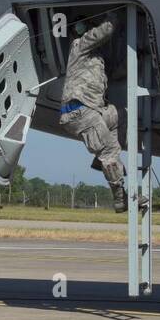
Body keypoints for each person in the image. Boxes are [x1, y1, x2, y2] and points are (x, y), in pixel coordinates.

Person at [58, 20, 129, 213]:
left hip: (91, 113)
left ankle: (102, 160)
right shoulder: (78, 46)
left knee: (121, 115)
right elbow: (105, 30)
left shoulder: (98, 60)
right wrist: (116, 17)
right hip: (80, 111)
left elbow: (117, 72)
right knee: (110, 151)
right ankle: (120, 198)